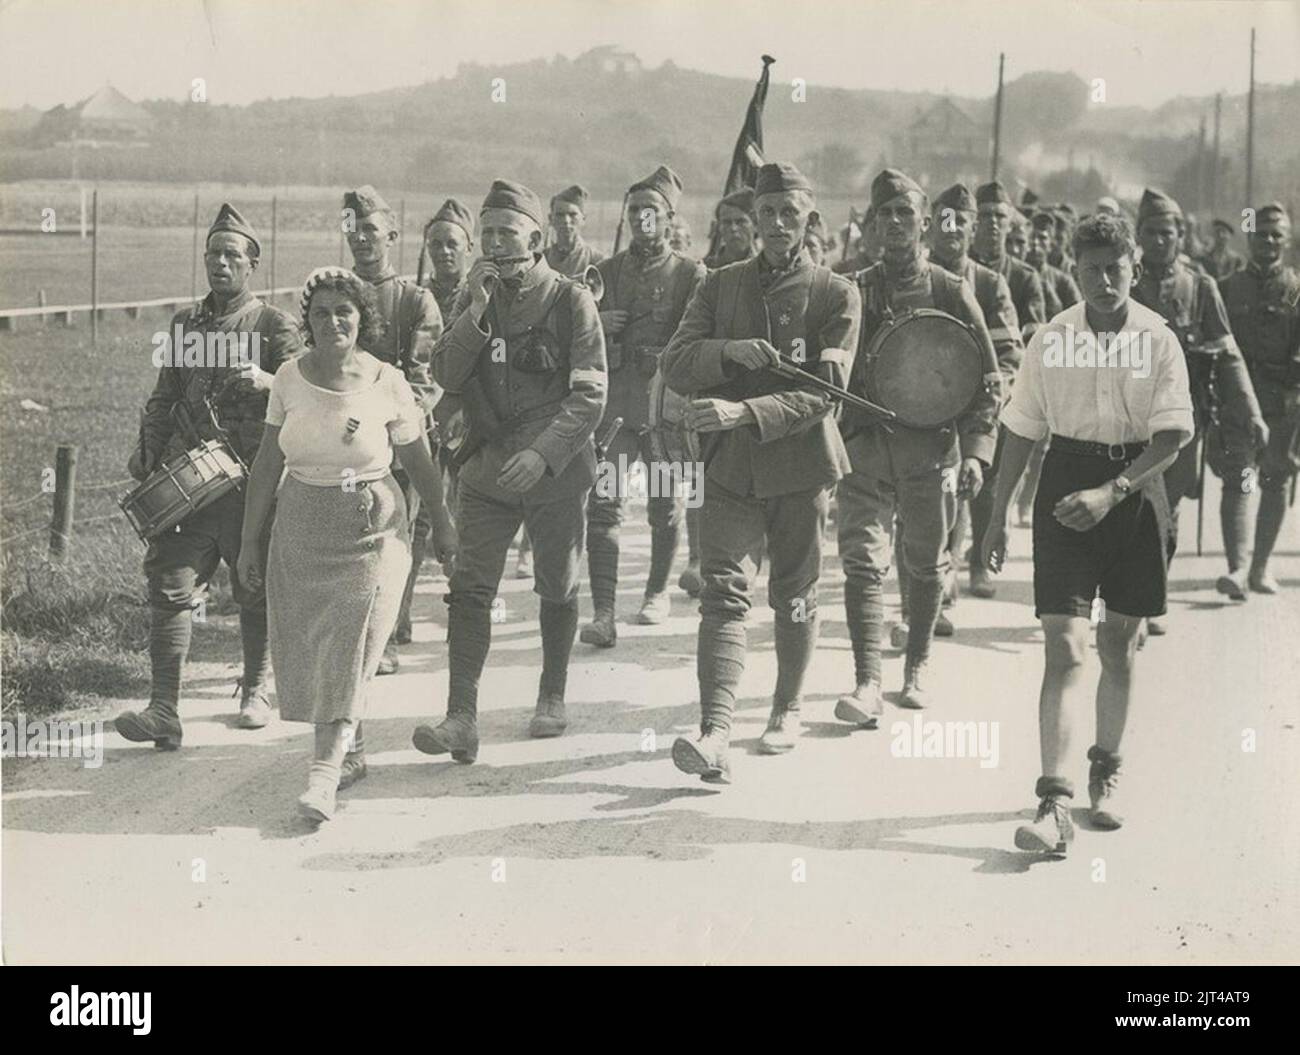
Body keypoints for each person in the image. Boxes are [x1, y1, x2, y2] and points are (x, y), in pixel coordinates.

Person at [981, 212, 1194, 853]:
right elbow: (1020, 428)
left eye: (1116, 268)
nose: (1104, 280)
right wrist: (995, 520)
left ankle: (1107, 766)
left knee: (1117, 646)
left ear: (1133, 267)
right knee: (1065, 648)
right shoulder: (1052, 339)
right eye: (1091, 269)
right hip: (1066, 488)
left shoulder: (1158, 338)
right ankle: (1053, 801)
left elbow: (1174, 436)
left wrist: (1114, 491)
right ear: (1074, 271)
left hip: (1134, 489)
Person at [236, 267, 458, 822]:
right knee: (318, 648)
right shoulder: (288, 378)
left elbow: (420, 464)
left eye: (345, 311)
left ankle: (323, 775)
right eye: (320, 312)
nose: (333, 321)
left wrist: (445, 524)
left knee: (350, 643)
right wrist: (246, 543)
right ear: (307, 321)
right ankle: (351, 750)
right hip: (303, 524)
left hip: (374, 525)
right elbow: (267, 465)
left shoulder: (387, 380)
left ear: (363, 319)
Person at [662, 161, 859, 778]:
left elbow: (827, 394)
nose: (776, 225)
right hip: (731, 474)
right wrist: (729, 352)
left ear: (809, 219)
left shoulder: (836, 293)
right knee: (722, 592)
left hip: (801, 470)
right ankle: (715, 730)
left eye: (789, 214)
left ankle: (787, 707)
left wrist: (743, 408)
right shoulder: (718, 285)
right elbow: (676, 361)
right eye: (766, 213)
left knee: (795, 595)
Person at [412, 179, 607, 758]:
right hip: (487, 471)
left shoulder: (571, 300)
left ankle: (552, 695)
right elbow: (445, 375)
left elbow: (590, 394)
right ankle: (460, 717)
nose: (496, 244)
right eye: (488, 233)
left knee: (557, 584)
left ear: (537, 238)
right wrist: (473, 310)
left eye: (508, 232)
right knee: (469, 587)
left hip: (554, 474)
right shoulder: (475, 297)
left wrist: (544, 452)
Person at [115, 203, 303, 750]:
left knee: (254, 586)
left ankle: (256, 689)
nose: (220, 264)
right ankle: (164, 709)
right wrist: (148, 450)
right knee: (170, 586)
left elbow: (302, 391)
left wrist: (267, 379)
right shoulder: (185, 325)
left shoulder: (274, 324)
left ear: (253, 264)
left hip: (252, 481)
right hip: (190, 481)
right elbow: (164, 395)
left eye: (231, 255)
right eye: (212, 254)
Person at [832, 170, 1000, 727]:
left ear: (925, 224)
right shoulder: (851, 288)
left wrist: (976, 451)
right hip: (865, 450)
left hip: (931, 455)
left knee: (927, 565)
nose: (896, 224)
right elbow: (828, 369)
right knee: (861, 562)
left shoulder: (951, 291)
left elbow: (987, 377)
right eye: (886, 216)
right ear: (873, 226)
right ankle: (867, 680)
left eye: (907, 215)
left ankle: (916, 669)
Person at [581, 165, 705, 644]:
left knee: (664, 506)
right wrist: (595, 320)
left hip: (665, 413)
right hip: (618, 411)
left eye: (650, 211)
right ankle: (605, 612)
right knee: (606, 505)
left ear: (670, 218)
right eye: (634, 211)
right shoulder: (604, 274)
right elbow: (574, 332)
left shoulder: (691, 275)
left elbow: (700, 338)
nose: (641, 220)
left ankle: (656, 592)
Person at [1131, 188, 1266, 630]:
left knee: (1165, 510)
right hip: (1126, 415)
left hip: (1180, 420)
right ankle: (1128, 601)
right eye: (1149, 232)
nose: (1157, 241)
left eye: (1166, 233)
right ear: (1138, 234)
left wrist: (1249, 409)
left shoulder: (1200, 287)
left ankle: (1148, 595)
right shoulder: (1122, 281)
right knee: (1126, 506)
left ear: (1181, 235)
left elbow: (1228, 354)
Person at [342, 185, 442, 678]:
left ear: (392, 236)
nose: (361, 240)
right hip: (339, 441)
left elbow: (424, 379)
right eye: (353, 231)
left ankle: (384, 636)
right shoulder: (332, 295)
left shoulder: (415, 301)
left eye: (371, 231)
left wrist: (388, 429)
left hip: (396, 447)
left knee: (393, 542)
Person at [925, 183, 1024, 612]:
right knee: (933, 490)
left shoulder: (988, 283)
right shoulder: (916, 276)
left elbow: (1008, 351)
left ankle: (979, 564)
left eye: (960, 222)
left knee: (983, 487)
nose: (951, 229)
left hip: (979, 405)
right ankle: (937, 570)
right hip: (926, 404)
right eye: (944, 220)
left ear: (973, 229)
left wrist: (997, 387)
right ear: (929, 227)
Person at [1218, 202, 1300, 596]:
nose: (1268, 240)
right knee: (1237, 480)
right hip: (1237, 400)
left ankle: (1260, 568)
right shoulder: (1228, 287)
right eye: (1260, 234)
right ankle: (1237, 568)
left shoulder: (1297, 289)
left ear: (1286, 240)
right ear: (1248, 237)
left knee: (1275, 480)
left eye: (1276, 235)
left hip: (1281, 402)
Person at [545, 184, 606, 278]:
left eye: (572, 215)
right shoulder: (542, 259)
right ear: (550, 219)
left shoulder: (597, 260)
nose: (566, 220)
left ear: (583, 219)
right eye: (560, 215)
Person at [703, 188, 759, 270]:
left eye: (741, 222)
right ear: (719, 227)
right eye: (727, 222)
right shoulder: (705, 270)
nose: (733, 228)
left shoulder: (767, 269)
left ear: (755, 225)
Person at [1199, 218, 1246, 282]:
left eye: (1224, 232)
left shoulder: (1237, 260)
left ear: (1229, 236)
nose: (1220, 235)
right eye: (1217, 231)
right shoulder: (1204, 258)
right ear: (1213, 234)